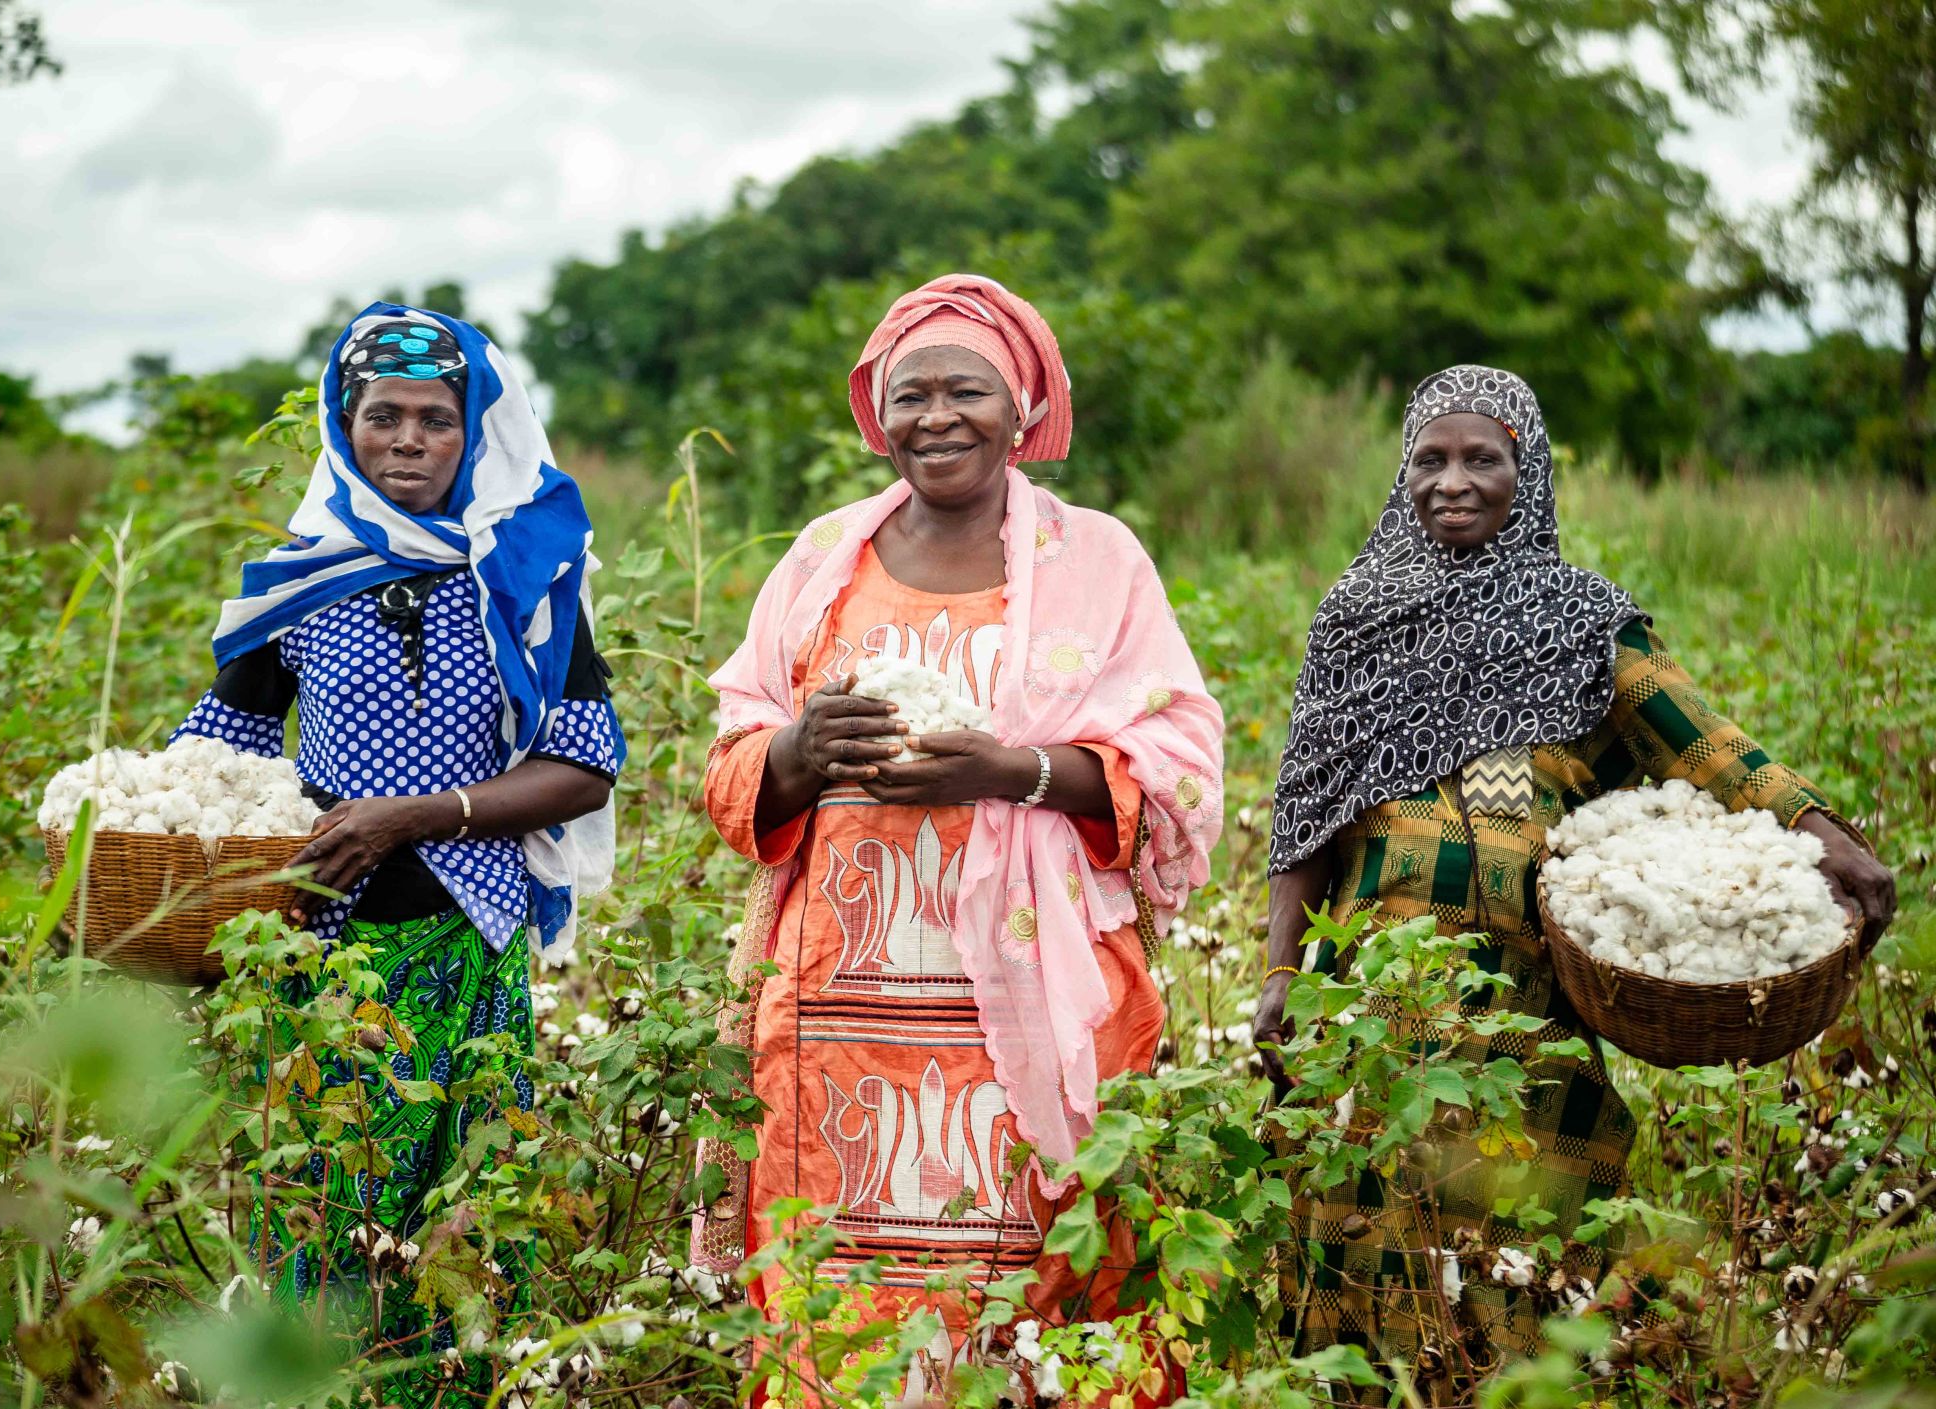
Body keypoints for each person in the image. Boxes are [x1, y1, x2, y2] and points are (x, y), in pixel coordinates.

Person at [1253, 364, 1894, 1386]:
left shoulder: (1582, 622)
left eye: (1482, 458)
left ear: (1531, 472)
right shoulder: (1355, 619)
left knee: (1534, 1233)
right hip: (1369, 1005)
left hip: (1529, 1004)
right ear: (1400, 472)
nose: (1450, 480)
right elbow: (1303, 820)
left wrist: (1823, 832)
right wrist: (1280, 972)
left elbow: (1699, 740)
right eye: (1429, 457)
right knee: (1363, 1230)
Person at [695, 274, 1224, 1401]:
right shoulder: (820, 560)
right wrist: (798, 748)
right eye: (909, 394)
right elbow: (734, 753)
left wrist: (1012, 769)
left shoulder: (1098, 561)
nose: (936, 415)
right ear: (875, 415)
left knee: (1034, 1278)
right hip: (842, 1009)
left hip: (1025, 1006)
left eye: (965, 390)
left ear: (1023, 406)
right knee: (838, 1285)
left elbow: (1175, 758)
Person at [172, 304, 625, 1400]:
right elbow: (216, 756)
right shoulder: (301, 581)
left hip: (470, 951)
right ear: (345, 423)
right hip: (322, 973)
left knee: (467, 1236)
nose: (409, 439)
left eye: (436, 418)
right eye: (383, 416)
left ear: (475, 432)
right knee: (321, 1233)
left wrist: (407, 813)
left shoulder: (521, 574)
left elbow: (584, 761)